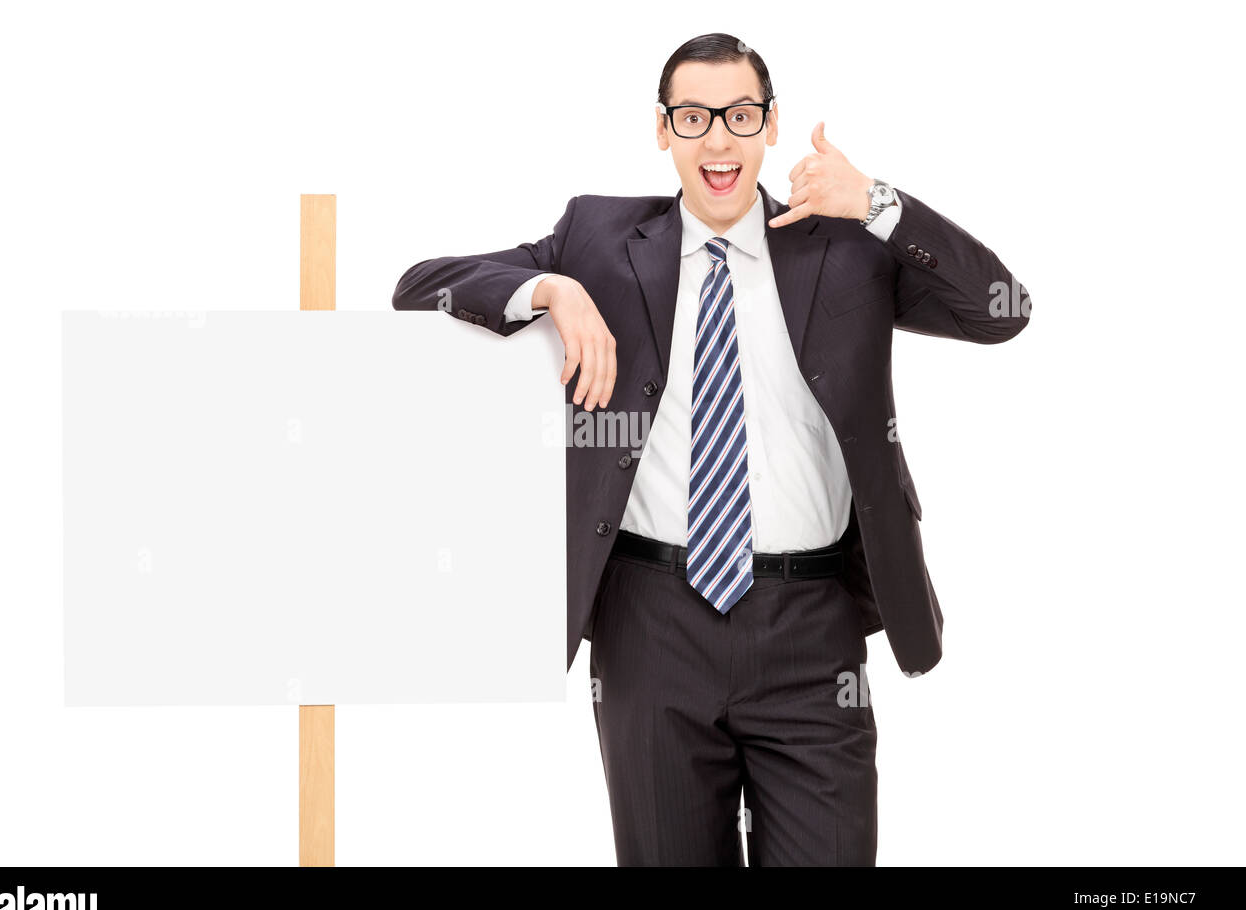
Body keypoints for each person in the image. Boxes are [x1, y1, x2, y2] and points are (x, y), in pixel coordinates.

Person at [392, 32, 1030, 866]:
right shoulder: (598, 238)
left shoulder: (841, 246)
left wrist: (878, 201)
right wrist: (550, 289)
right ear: (663, 131)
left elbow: (1001, 308)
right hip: (650, 622)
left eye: (739, 115)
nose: (718, 140)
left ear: (772, 125)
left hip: (813, 627)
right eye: (693, 117)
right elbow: (419, 286)